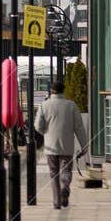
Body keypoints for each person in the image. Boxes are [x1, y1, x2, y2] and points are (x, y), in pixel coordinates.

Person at [34, 73, 90, 209]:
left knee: (53, 173)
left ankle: (56, 202)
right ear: (63, 91)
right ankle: (66, 185)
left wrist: (45, 133)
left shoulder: (44, 105)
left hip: (51, 146)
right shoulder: (71, 105)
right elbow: (79, 127)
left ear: (51, 91)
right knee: (66, 170)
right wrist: (84, 145)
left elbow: (37, 126)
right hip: (67, 145)